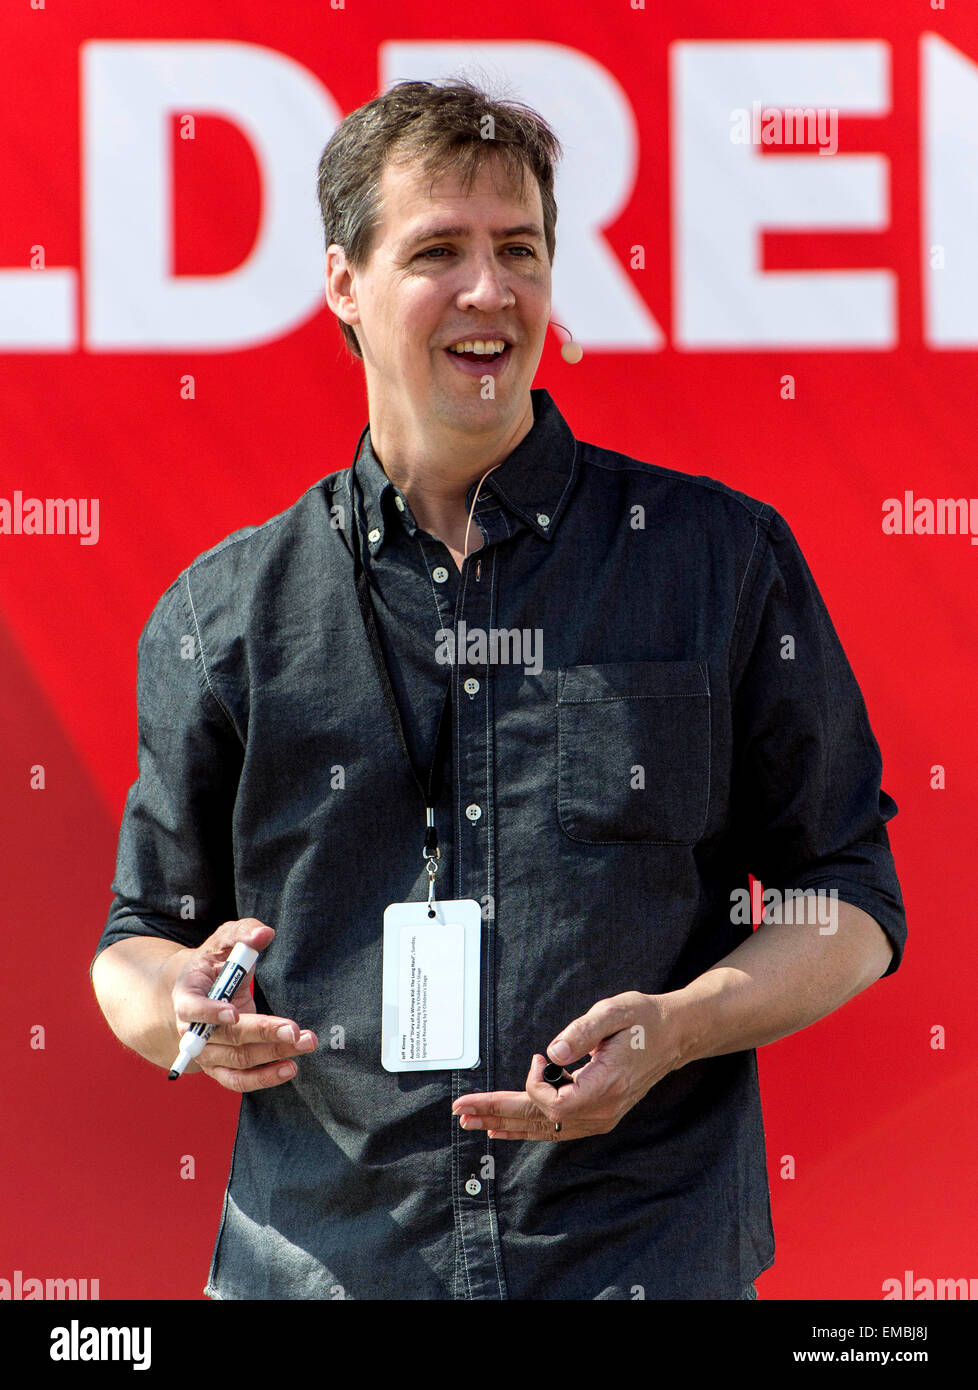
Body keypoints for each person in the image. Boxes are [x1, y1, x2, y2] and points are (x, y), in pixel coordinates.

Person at [90, 77, 907, 1301]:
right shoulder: (225, 613)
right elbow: (135, 940)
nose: (490, 291)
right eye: (439, 251)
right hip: (321, 1268)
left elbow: (849, 901)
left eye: (519, 249)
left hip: (642, 1261)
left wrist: (679, 1025)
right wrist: (184, 1015)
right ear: (343, 287)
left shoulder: (717, 561)